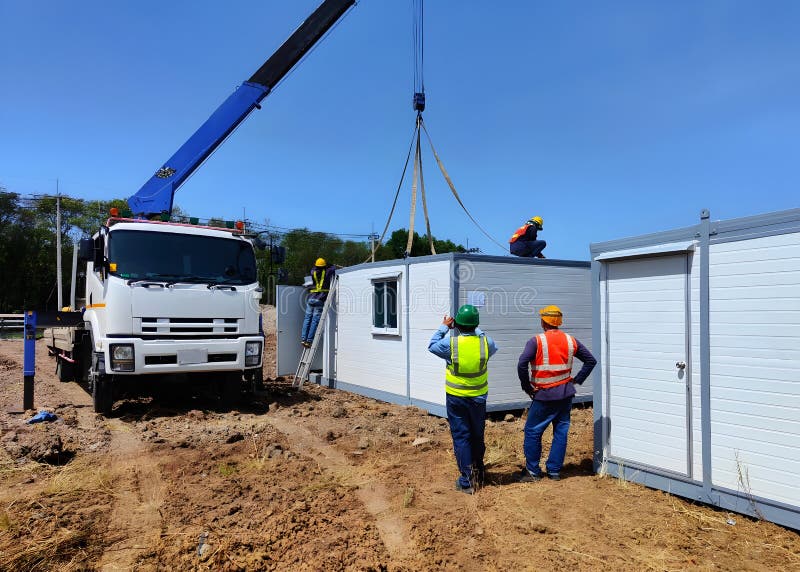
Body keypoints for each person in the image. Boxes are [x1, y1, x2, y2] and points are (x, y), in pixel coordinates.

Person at [516, 305, 596, 482]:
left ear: (543, 321)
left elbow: (521, 364)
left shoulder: (536, 341)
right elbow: (591, 360)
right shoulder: (570, 340)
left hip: (544, 395)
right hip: (566, 394)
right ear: (558, 322)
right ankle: (554, 471)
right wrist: (577, 379)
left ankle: (533, 472)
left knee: (532, 431)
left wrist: (527, 388)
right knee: (560, 431)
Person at [428, 304, 498, 494]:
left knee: (461, 437)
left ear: (456, 324)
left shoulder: (451, 344)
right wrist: (476, 328)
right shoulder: (486, 343)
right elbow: (488, 342)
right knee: (477, 435)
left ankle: (467, 482)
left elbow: (431, 345)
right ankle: (479, 472)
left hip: (457, 398)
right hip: (478, 398)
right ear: (476, 324)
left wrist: (444, 327)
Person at [300, 257, 335, 347]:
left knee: (307, 319)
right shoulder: (327, 272)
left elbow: (314, 268)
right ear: (324, 266)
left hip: (311, 298)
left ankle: (303, 339)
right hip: (320, 299)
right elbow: (333, 268)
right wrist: (329, 265)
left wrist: (322, 265)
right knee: (315, 321)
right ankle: (309, 341)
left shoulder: (313, 272)